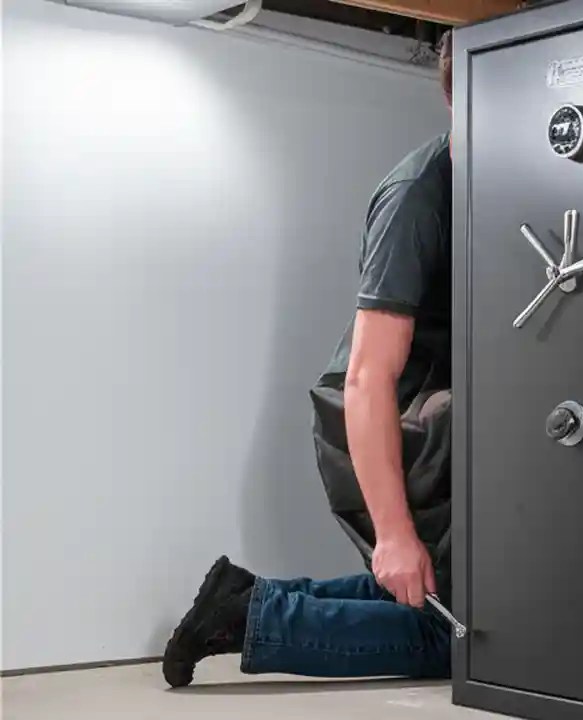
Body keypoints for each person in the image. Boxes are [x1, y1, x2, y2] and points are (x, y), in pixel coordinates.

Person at [162, 31, 457, 688]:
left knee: (446, 595)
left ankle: (242, 598)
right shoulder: (419, 195)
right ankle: (250, 621)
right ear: (455, 94)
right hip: (381, 421)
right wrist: (392, 535)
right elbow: (365, 377)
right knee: (458, 633)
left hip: (429, 420)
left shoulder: (492, 184)